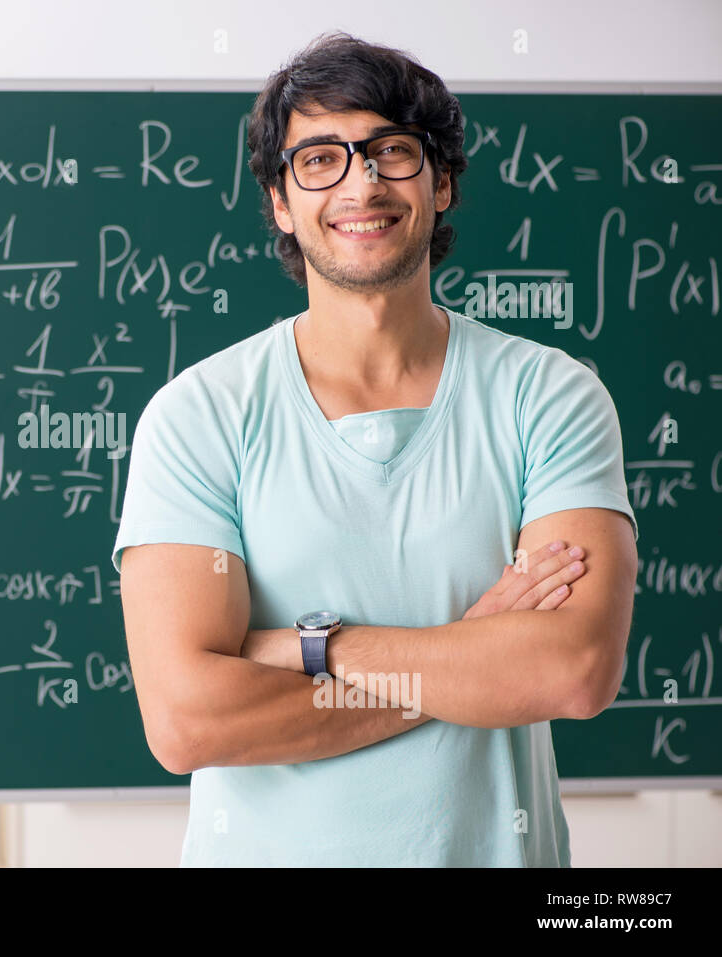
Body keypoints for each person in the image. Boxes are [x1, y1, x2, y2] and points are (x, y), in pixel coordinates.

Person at [112, 32, 639, 866]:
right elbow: (187, 721)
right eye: (320, 158)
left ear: (442, 180)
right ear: (281, 201)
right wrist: (469, 656)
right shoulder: (197, 416)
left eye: (391, 151)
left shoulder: (550, 395)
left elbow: (572, 669)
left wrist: (317, 646)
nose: (361, 182)